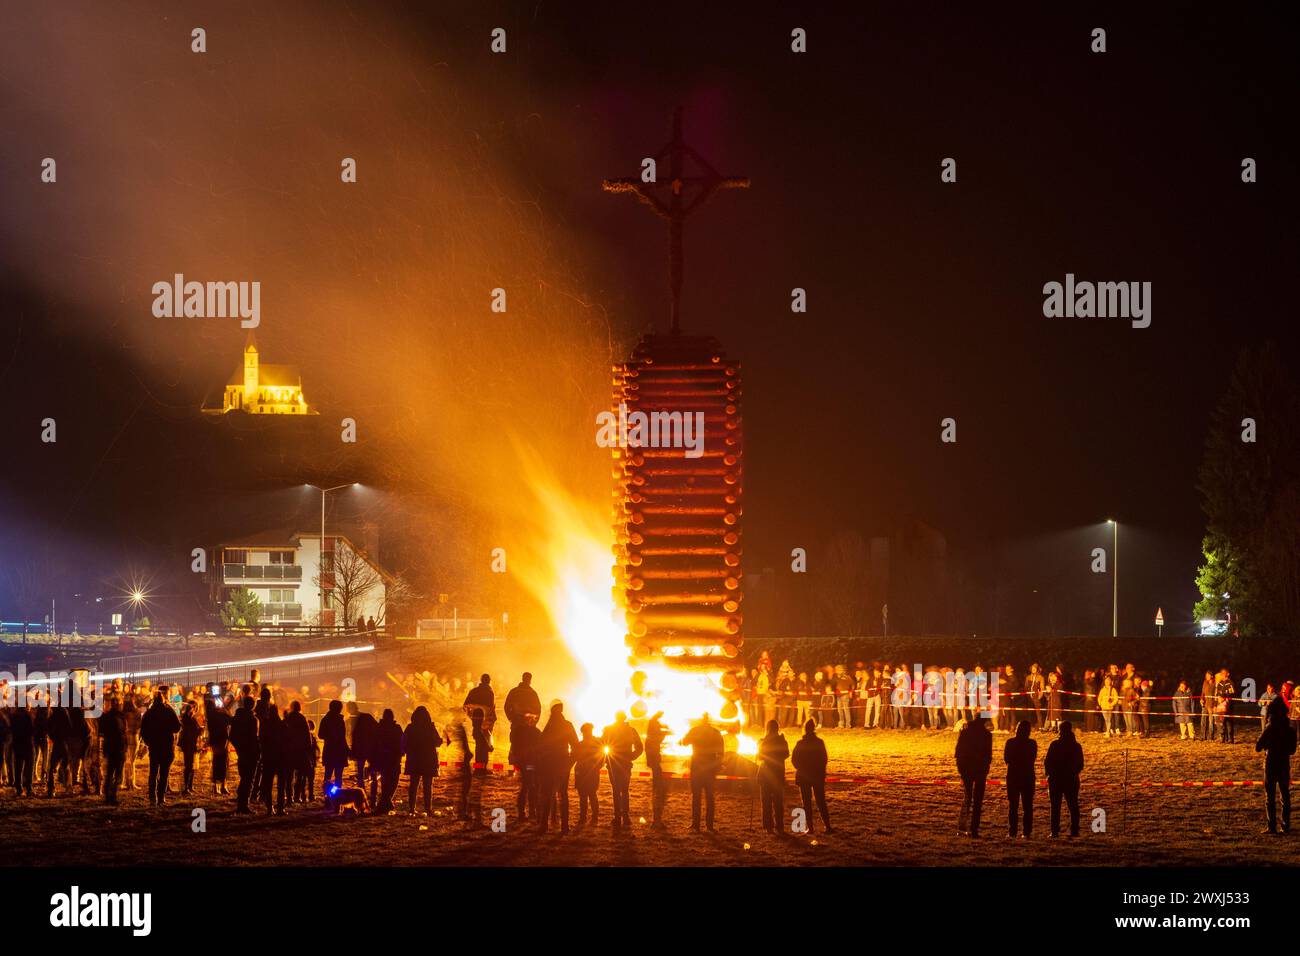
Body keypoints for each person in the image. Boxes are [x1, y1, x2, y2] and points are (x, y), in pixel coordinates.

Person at [537, 700, 579, 834]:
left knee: (548, 794)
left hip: (551, 763)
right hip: (561, 763)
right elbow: (576, 746)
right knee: (562, 794)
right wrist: (569, 762)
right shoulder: (567, 725)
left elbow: (541, 745)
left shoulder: (550, 726)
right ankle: (564, 826)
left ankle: (544, 825)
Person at [1256, 696, 1296, 834]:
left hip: (1271, 763)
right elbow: (1292, 750)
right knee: (1285, 795)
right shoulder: (1290, 730)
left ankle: (1271, 827)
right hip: (1284, 763)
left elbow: (1258, 746)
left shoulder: (1269, 728)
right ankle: (1285, 826)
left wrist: (1267, 743)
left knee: (1270, 796)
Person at [680, 713, 725, 832]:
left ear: (701, 720)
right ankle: (709, 825)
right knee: (710, 797)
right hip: (710, 767)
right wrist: (718, 764)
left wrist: (683, 740)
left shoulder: (695, 730)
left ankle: (696, 824)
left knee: (696, 796)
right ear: (708, 720)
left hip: (697, 767)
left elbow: (684, 742)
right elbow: (721, 751)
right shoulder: (715, 732)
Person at [602, 711, 643, 831]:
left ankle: (619, 817)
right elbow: (639, 747)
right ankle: (624, 817)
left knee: (617, 790)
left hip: (614, 763)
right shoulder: (630, 730)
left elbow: (601, 745)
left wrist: (605, 758)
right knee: (623, 790)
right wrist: (631, 756)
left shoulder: (609, 729)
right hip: (623, 763)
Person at [140, 687, 180, 806]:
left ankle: (153, 798)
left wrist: (148, 742)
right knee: (164, 773)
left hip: (154, 746)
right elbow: (177, 727)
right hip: (166, 745)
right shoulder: (169, 710)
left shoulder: (149, 712)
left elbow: (143, 730)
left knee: (153, 772)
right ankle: (161, 797)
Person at [1044, 721, 1084, 837]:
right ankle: (1074, 830)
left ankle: (1055, 831)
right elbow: (1080, 764)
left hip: (1056, 779)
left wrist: (1049, 774)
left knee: (1055, 806)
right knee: (1073, 805)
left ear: (1060, 730)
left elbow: (1047, 761)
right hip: (1071, 779)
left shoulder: (1055, 744)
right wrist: (1073, 773)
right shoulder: (1076, 746)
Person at [955, 715, 992, 837]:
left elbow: (958, 752)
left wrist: (961, 769)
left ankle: (962, 827)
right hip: (980, 771)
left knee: (967, 797)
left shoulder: (965, 732)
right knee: (977, 801)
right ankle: (974, 829)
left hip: (967, 769)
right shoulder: (987, 735)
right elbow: (988, 755)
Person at [791, 719, 831, 833]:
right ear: (814, 729)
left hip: (804, 777)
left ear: (805, 729)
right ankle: (827, 826)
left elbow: (794, 760)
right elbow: (824, 759)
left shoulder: (800, 743)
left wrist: (801, 768)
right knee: (821, 801)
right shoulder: (819, 742)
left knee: (806, 802)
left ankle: (810, 828)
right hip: (817, 776)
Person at [402, 705, 440, 816]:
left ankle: (411, 808)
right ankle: (428, 809)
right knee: (428, 785)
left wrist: (408, 751)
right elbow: (437, 742)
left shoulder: (410, 728)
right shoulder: (430, 728)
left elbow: (403, 742)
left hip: (414, 760)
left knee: (413, 785)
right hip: (428, 760)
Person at [1004, 720, 1037, 838]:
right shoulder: (1032, 743)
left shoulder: (1010, 742)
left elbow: (1006, 759)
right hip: (1028, 776)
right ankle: (1026, 832)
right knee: (1028, 806)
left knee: (1013, 806)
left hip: (1013, 776)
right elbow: (1032, 759)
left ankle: (1012, 831)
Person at [758, 719, 790, 833]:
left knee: (766, 801)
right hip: (778, 773)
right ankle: (779, 825)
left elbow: (759, 756)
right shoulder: (782, 741)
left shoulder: (763, 741)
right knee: (778, 801)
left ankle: (768, 826)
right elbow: (786, 754)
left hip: (766, 774)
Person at [509, 712, 542, 822]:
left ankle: (522, 813)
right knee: (531, 786)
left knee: (525, 786)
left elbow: (513, 745)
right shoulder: (534, 731)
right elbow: (541, 744)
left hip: (522, 763)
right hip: (531, 763)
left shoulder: (516, 732)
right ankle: (532, 812)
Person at [229, 697, 259, 813]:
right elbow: (254, 738)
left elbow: (232, 736)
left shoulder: (237, 718)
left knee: (244, 777)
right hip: (250, 752)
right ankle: (243, 805)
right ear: (253, 706)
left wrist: (239, 748)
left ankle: (241, 802)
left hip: (242, 752)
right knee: (248, 778)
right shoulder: (253, 719)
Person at [573, 722, 604, 828]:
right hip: (586, 772)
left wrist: (595, 766)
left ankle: (586, 818)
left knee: (588, 795)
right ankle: (588, 818)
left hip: (586, 772)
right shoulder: (595, 743)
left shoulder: (584, 744)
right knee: (588, 795)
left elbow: (602, 759)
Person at [372, 708, 403, 813]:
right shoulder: (396, 728)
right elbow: (402, 742)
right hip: (393, 758)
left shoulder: (379, 728)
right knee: (393, 781)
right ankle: (385, 803)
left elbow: (374, 743)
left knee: (385, 782)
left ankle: (384, 804)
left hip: (383, 759)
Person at [282, 700, 313, 805]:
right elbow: (307, 734)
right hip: (300, 750)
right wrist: (308, 748)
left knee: (289, 775)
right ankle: (296, 796)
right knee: (299, 775)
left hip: (289, 750)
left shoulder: (288, 718)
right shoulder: (301, 718)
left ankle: (289, 797)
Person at [644, 711, 670, 828]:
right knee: (658, 791)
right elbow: (654, 727)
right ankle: (656, 821)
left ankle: (657, 820)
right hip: (654, 762)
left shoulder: (652, 736)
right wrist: (665, 731)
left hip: (654, 762)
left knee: (658, 789)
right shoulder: (652, 736)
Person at [99, 696, 126, 805]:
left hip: (110, 746)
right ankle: (112, 795)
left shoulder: (105, 716)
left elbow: (101, 730)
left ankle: (107, 796)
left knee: (109, 773)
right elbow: (122, 732)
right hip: (118, 747)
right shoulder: (119, 716)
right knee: (117, 773)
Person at [318, 699, 349, 795]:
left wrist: (329, 736)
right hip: (339, 751)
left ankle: (327, 796)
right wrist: (347, 750)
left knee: (328, 775)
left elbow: (320, 735)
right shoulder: (340, 721)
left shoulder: (325, 719)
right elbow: (342, 737)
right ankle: (337, 796)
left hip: (329, 751)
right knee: (338, 776)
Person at [205, 693, 232, 795]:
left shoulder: (214, 715)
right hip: (220, 740)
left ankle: (220, 786)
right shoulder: (216, 715)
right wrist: (225, 712)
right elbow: (230, 720)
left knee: (220, 762)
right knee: (221, 762)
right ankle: (220, 786)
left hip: (219, 740)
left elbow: (229, 721)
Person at [9, 700, 35, 798]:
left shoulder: (13, 717)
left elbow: (10, 729)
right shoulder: (29, 716)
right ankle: (29, 788)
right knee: (29, 767)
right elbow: (32, 730)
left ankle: (19, 789)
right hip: (28, 744)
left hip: (17, 744)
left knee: (18, 767)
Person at [179, 702, 201, 795]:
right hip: (188, 744)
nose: (193, 709)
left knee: (192, 766)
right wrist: (199, 730)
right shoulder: (186, 718)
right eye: (192, 707)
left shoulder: (192, 718)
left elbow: (195, 729)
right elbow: (190, 731)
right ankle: (186, 787)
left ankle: (190, 786)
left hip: (192, 744)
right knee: (188, 765)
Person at [352, 710, 377, 789]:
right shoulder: (373, 728)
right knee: (373, 772)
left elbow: (355, 740)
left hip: (360, 752)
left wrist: (354, 752)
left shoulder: (358, 730)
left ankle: (361, 789)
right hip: (371, 752)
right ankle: (373, 791)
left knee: (360, 772)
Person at [1216, 669, 1237, 744]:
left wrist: (1224, 698)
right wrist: (1217, 700)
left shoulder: (1230, 683)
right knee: (1222, 722)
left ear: (1227, 674)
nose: (1222, 675)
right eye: (1221, 673)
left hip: (1229, 706)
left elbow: (1232, 693)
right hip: (1220, 706)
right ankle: (1223, 738)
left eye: (1223, 673)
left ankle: (1231, 739)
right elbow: (1217, 693)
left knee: (1229, 722)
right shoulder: (1220, 683)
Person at [1200, 671, 1217, 742]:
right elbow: (1203, 692)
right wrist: (1201, 699)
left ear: (1211, 676)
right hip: (1205, 704)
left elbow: (1216, 695)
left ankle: (1211, 736)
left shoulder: (1215, 683)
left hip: (1211, 704)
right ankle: (1203, 736)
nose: (1206, 676)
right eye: (1206, 675)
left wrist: (1215, 704)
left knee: (1211, 721)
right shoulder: (1205, 682)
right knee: (1203, 721)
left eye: (1208, 675)